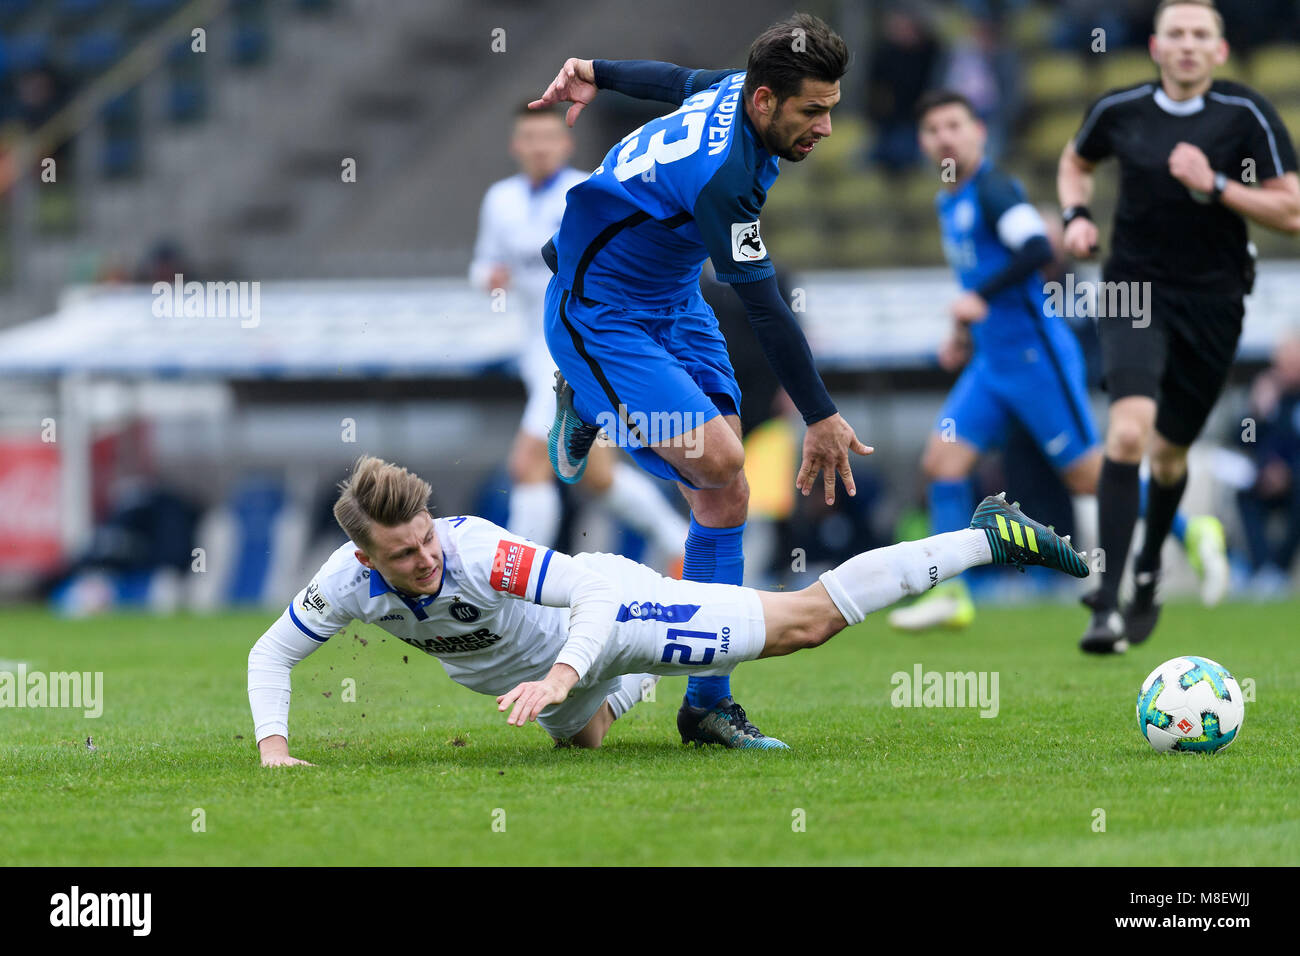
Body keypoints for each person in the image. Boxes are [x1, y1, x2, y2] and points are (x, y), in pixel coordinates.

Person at [249, 456, 1089, 765]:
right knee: (584, 743)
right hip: (562, 684)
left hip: (621, 618)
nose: (426, 557)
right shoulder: (344, 584)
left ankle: (985, 537)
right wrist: (275, 755)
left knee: (805, 623)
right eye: (405, 554)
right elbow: (269, 655)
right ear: (368, 559)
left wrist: (565, 669)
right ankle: (623, 692)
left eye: (427, 537)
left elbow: (597, 591)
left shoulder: (477, 550)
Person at [528, 13, 871, 748]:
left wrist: (598, 67)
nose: (826, 128)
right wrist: (821, 414)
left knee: (727, 495)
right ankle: (585, 397)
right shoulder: (727, 178)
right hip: (602, 313)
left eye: (833, 109)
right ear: (764, 103)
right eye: (813, 111)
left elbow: (677, 83)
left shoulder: (732, 90)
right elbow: (766, 309)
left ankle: (706, 704)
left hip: (673, 302)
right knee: (720, 460)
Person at [889, 89, 1227, 632]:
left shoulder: (995, 190)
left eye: (954, 125)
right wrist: (962, 331)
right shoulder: (947, 200)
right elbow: (979, 285)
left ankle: (1192, 529)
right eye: (932, 130)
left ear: (978, 131)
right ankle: (954, 596)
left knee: (1089, 478)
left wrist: (978, 301)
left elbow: (1035, 252)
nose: (944, 138)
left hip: (1034, 360)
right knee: (942, 465)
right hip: (990, 363)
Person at [1059, 0, 1299, 653]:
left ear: (1219, 51)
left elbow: (1292, 209)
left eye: (1201, 34)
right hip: (1133, 288)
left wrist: (1216, 182)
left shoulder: (1246, 115)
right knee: (1128, 431)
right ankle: (1106, 603)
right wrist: (1075, 215)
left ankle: (1148, 571)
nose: (1188, 44)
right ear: (1157, 46)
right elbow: (1075, 160)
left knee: (1168, 458)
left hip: (1214, 302)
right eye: (1176, 34)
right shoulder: (1120, 110)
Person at [468, 104, 689, 566]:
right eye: (530, 138)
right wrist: (488, 277)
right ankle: (678, 546)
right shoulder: (499, 200)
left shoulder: (586, 191)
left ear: (565, 144)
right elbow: (484, 264)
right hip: (532, 345)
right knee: (596, 477)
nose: (540, 147)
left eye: (549, 138)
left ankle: (521, 583)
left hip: (574, 344)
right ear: (516, 146)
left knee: (528, 465)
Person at [1235, 332, 1300, 592]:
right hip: (1264, 479)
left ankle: (1278, 570)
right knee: (1245, 496)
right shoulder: (1269, 397)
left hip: (1295, 481)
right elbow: (1243, 440)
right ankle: (1262, 570)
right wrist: (1256, 413)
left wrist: (1289, 474)